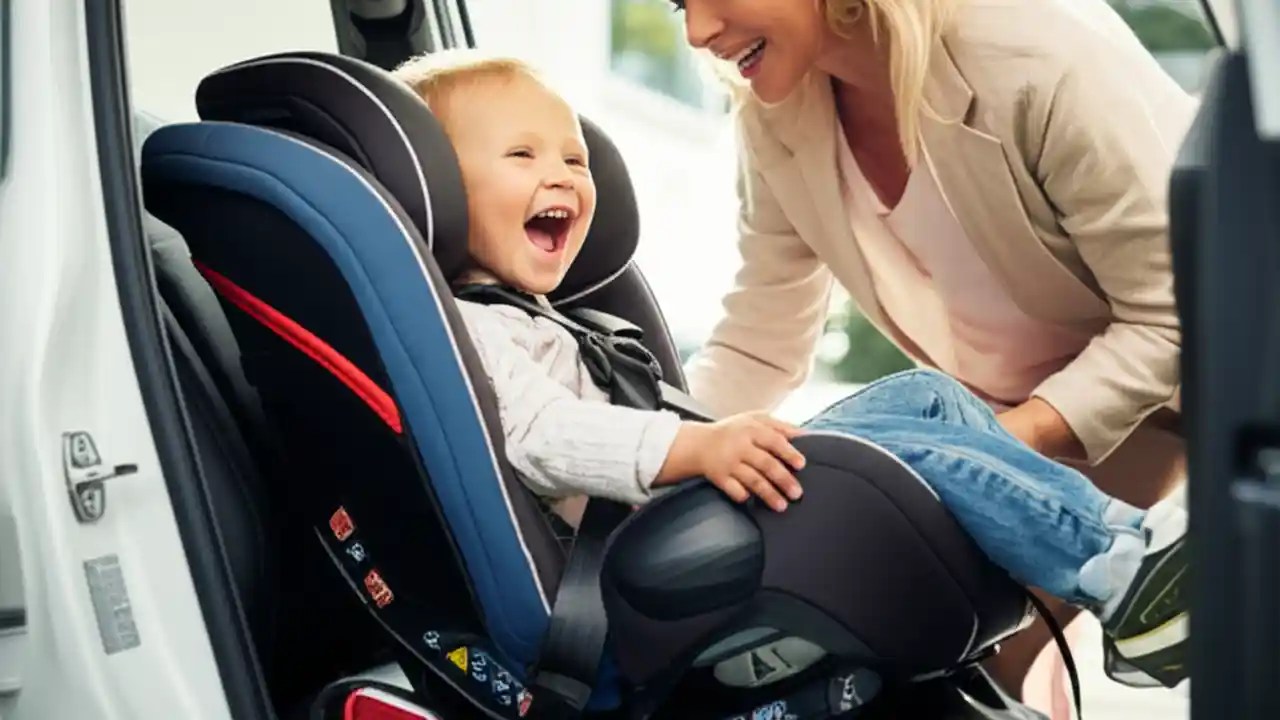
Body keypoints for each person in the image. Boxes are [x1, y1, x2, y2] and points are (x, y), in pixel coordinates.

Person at [390, 49, 1189, 692]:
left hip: (683, 503)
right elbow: (540, 436)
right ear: (442, 193)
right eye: (522, 155)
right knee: (891, 456)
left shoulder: (557, 320)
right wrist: (692, 447)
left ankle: (1121, 544)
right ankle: (1117, 567)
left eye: (575, 156)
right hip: (643, 544)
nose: (565, 174)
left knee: (925, 397)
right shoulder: (470, 329)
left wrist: (707, 436)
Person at [673, 0, 1193, 701]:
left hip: (1169, 400)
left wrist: (981, 453)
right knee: (945, 672)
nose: (697, 32)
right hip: (997, 415)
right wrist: (651, 459)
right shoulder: (776, 117)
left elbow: (1170, 315)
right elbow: (758, 342)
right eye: (678, 4)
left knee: (946, 643)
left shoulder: (1034, 53)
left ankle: (1133, 565)